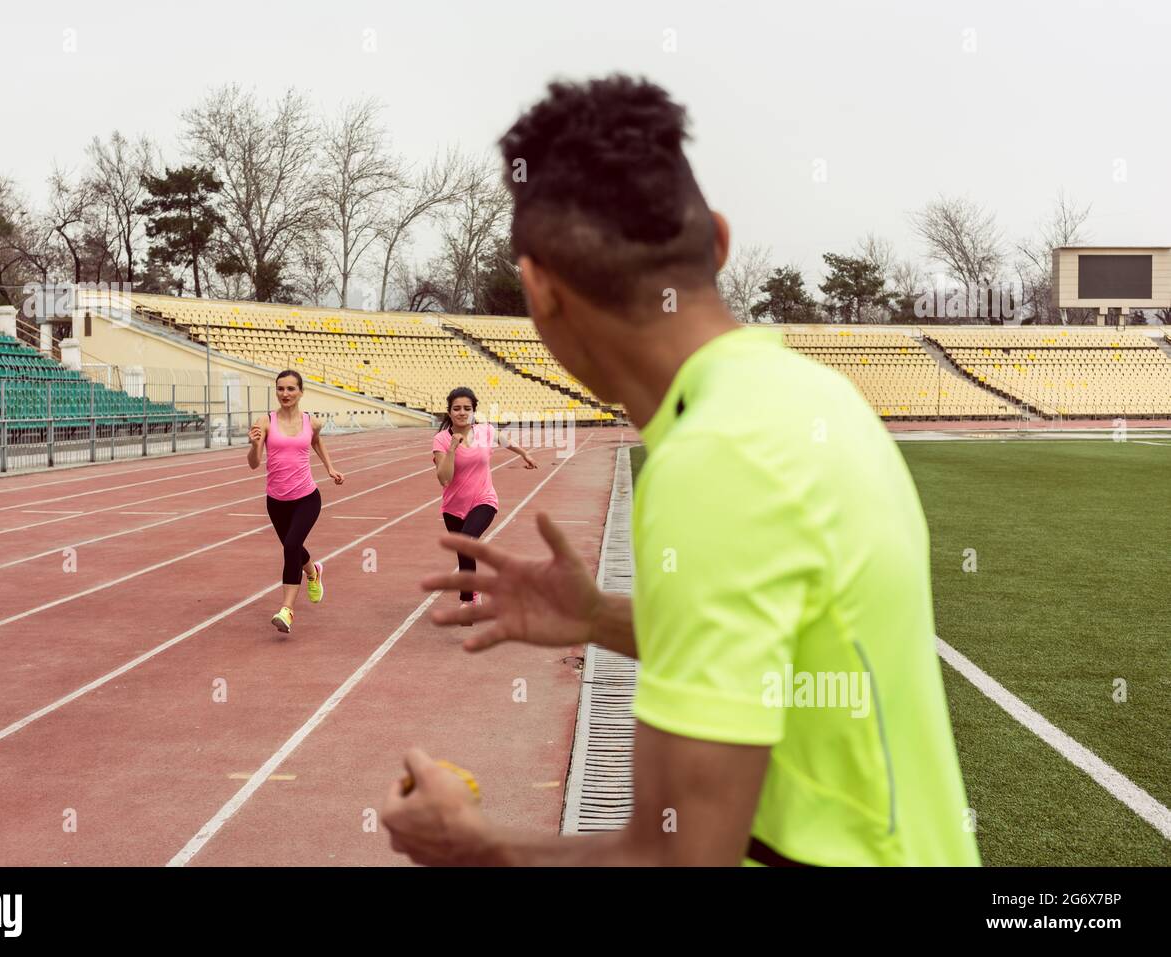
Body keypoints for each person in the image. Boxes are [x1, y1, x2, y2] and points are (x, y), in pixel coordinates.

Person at [383, 75, 980, 866]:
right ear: (720, 242)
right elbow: (785, 653)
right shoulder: (806, 395)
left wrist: (474, 846)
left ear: (540, 291)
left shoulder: (714, 462)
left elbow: (676, 859)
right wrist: (601, 618)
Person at [248, 370, 344, 634]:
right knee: (294, 547)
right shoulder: (265, 422)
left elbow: (317, 443)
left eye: (291, 389)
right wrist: (255, 445)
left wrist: (330, 468)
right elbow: (254, 464)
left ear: (301, 391)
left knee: (291, 546)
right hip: (276, 501)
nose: (285, 394)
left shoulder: (311, 422)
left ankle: (286, 610)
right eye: (280, 389)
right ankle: (313, 572)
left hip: (307, 497)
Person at [432, 387, 538, 619]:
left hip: (484, 499)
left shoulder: (485, 431)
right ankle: (475, 591)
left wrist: (523, 453)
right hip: (453, 507)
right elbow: (444, 478)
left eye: (467, 409)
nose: (462, 413)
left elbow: (505, 441)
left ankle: (467, 601)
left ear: (473, 411)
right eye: (457, 408)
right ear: (449, 412)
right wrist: (452, 448)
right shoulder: (441, 440)